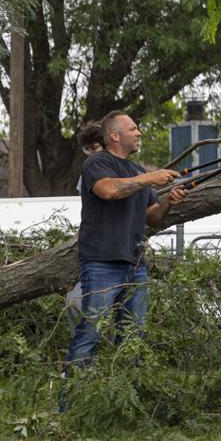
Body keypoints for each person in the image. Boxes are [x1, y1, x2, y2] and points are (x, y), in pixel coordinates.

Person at [64, 111, 188, 370]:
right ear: (114, 135)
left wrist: (167, 202)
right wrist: (150, 178)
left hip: (135, 264)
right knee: (91, 332)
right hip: (101, 263)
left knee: (134, 334)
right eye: (133, 129)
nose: (139, 132)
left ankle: (124, 402)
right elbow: (109, 190)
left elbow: (151, 218)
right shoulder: (97, 163)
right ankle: (70, 403)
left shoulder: (137, 171)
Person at [64, 121, 106, 336]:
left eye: (95, 148)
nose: (91, 153)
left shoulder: (125, 170)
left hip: (116, 251)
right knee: (74, 301)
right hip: (90, 248)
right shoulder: (87, 174)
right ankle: (80, 361)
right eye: (86, 149)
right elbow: (88, 210)